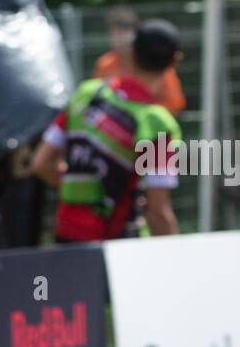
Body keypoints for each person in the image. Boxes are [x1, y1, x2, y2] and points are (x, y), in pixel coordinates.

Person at [31, 19, 184, 241]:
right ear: (174, 62)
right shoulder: (158, 124)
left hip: (66, 234)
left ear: (131, 53)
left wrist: (83, 187)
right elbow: (157, 212)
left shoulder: (86, 94)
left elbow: (41, 163)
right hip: (115, 244)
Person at [94, 7, 186, 117]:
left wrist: (143, 113)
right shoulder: (105, 63)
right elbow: (96, 99)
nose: (119, 38)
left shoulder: (161, 69)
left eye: (124, 32)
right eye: (114, 33)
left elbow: (174, 105)